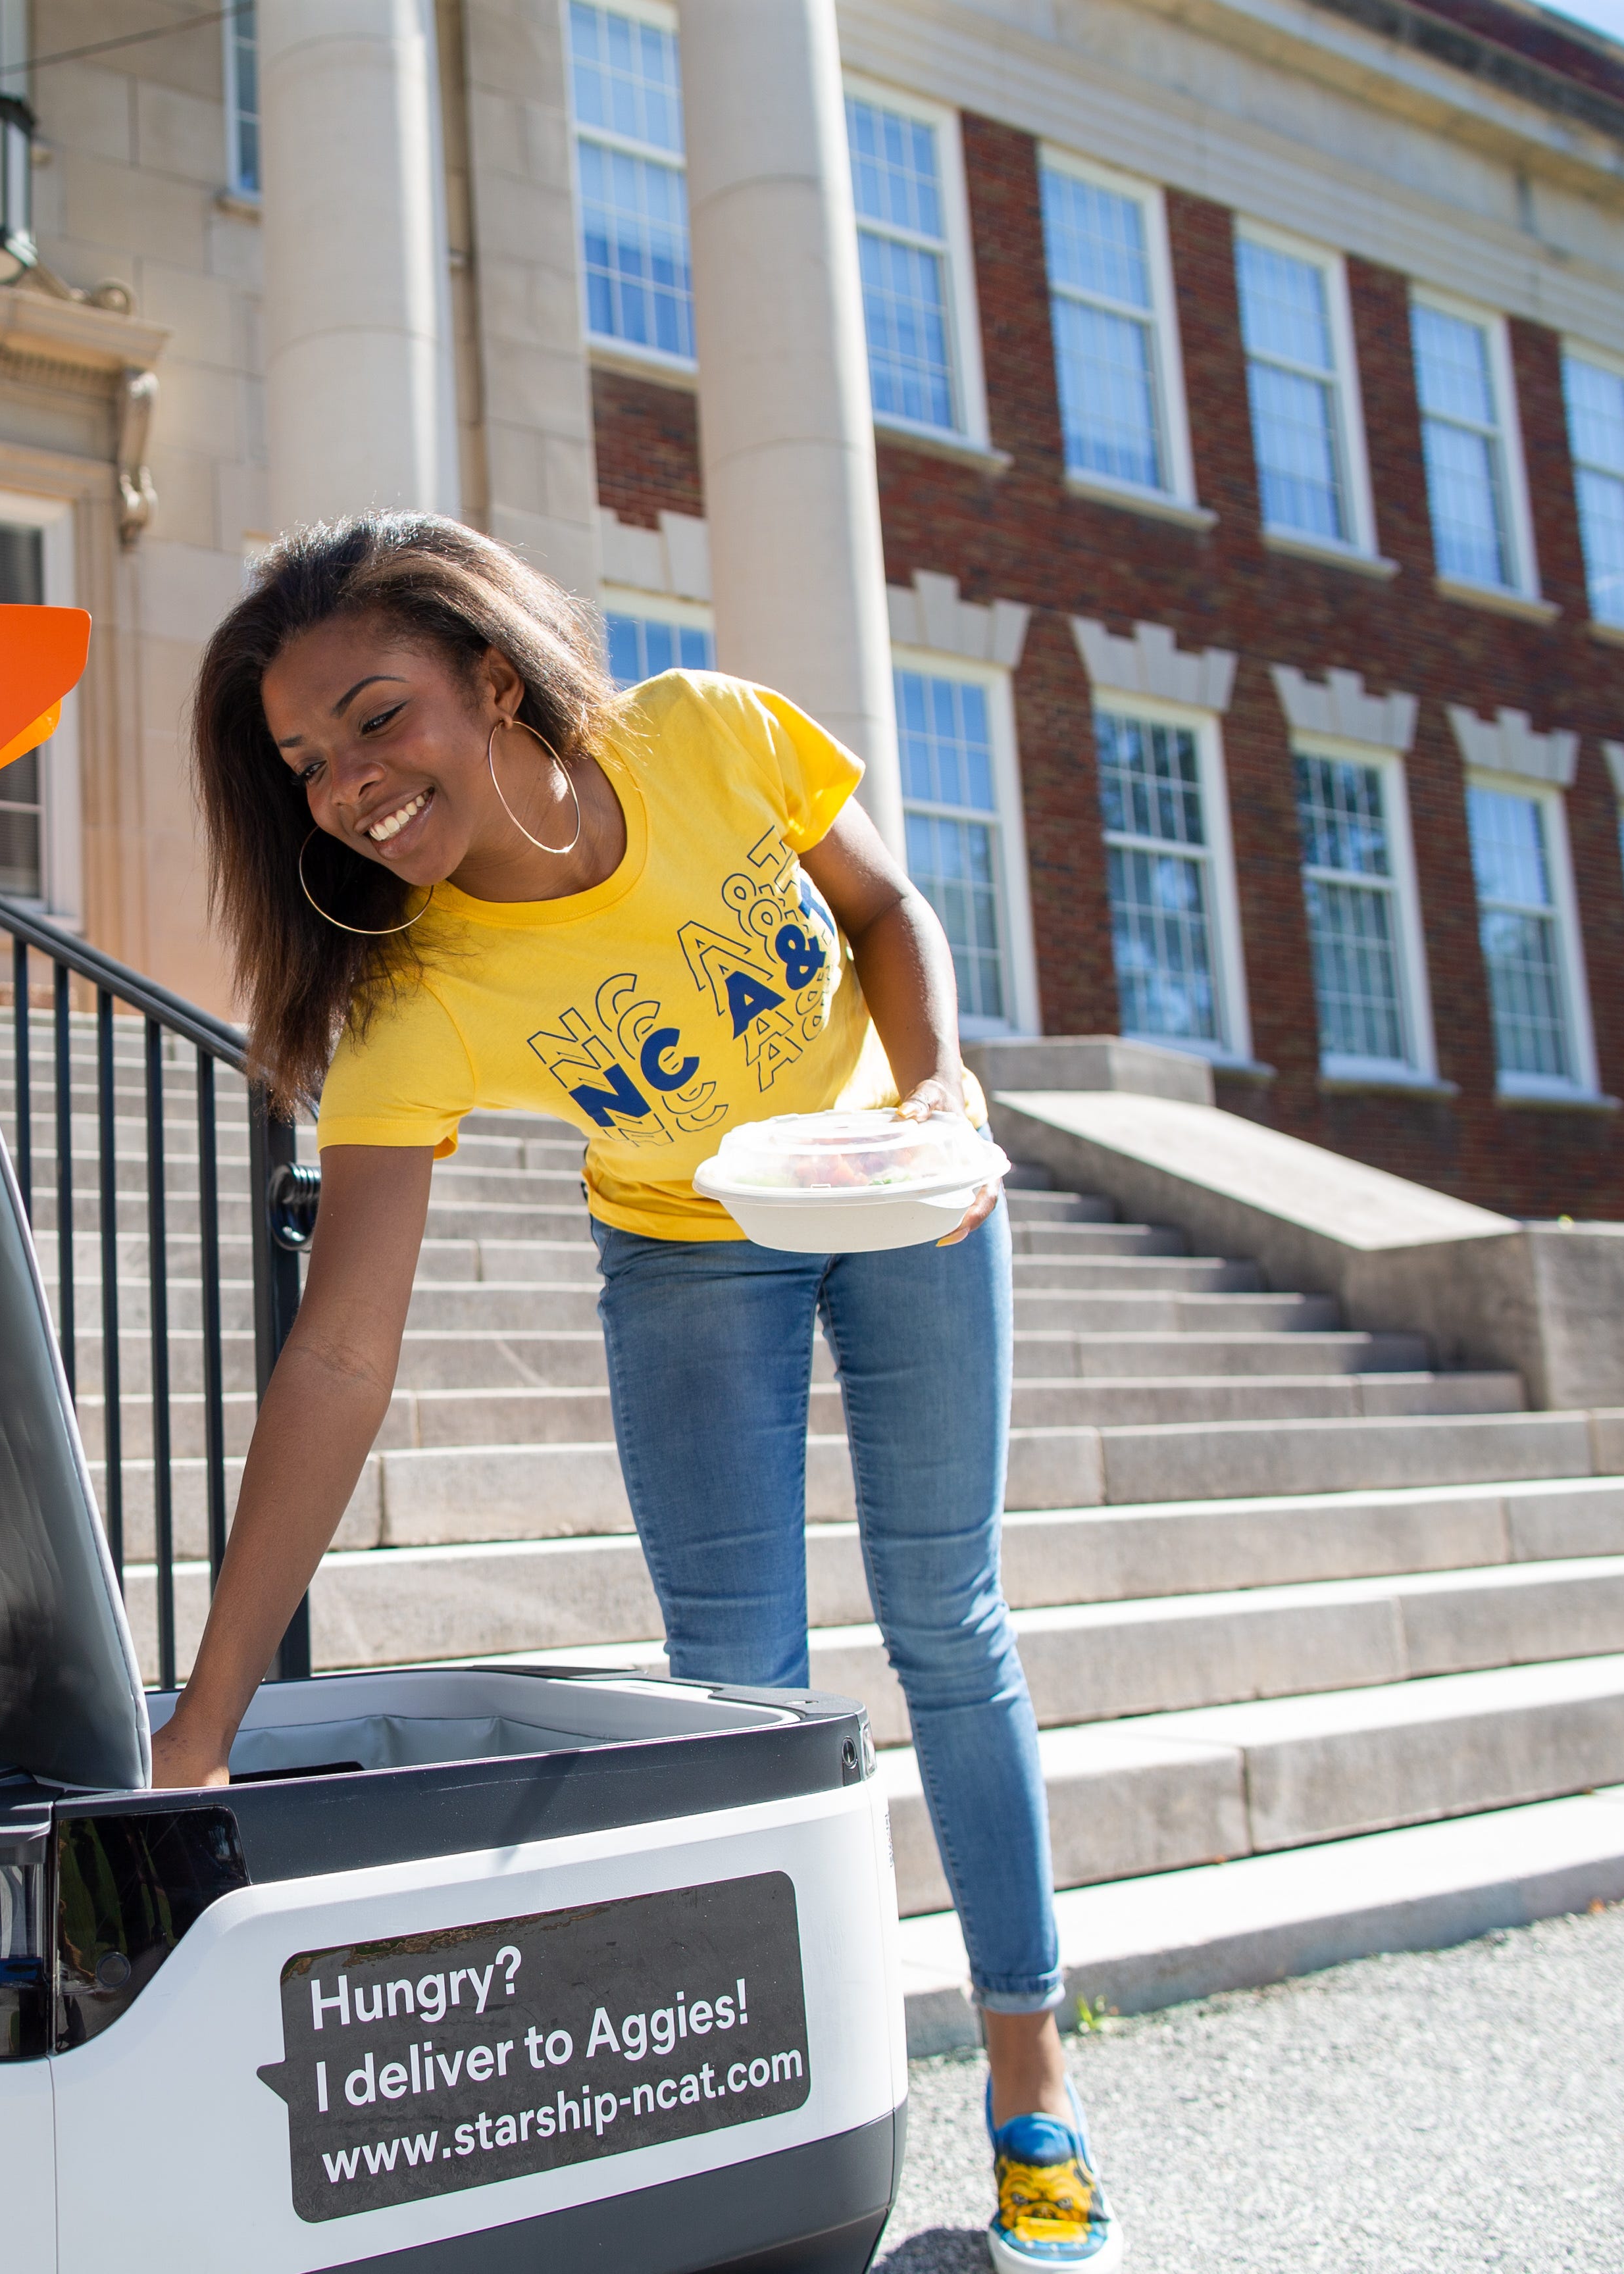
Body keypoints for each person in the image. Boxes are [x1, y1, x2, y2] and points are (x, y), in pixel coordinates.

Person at [147, 515, 1121, 2273]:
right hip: (686, 1250)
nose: (347, 785)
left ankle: (1030, 2082)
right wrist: (205, 1720)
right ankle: (806, 2106)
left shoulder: (706, 736)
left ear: (494, 681)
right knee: (735, 1685)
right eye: (304, 763)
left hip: (898, 1191)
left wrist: (940, 1095)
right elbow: (342, 1352)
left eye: (376, 718)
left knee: (945, 1615)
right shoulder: (415, 996)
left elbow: (884, 909)